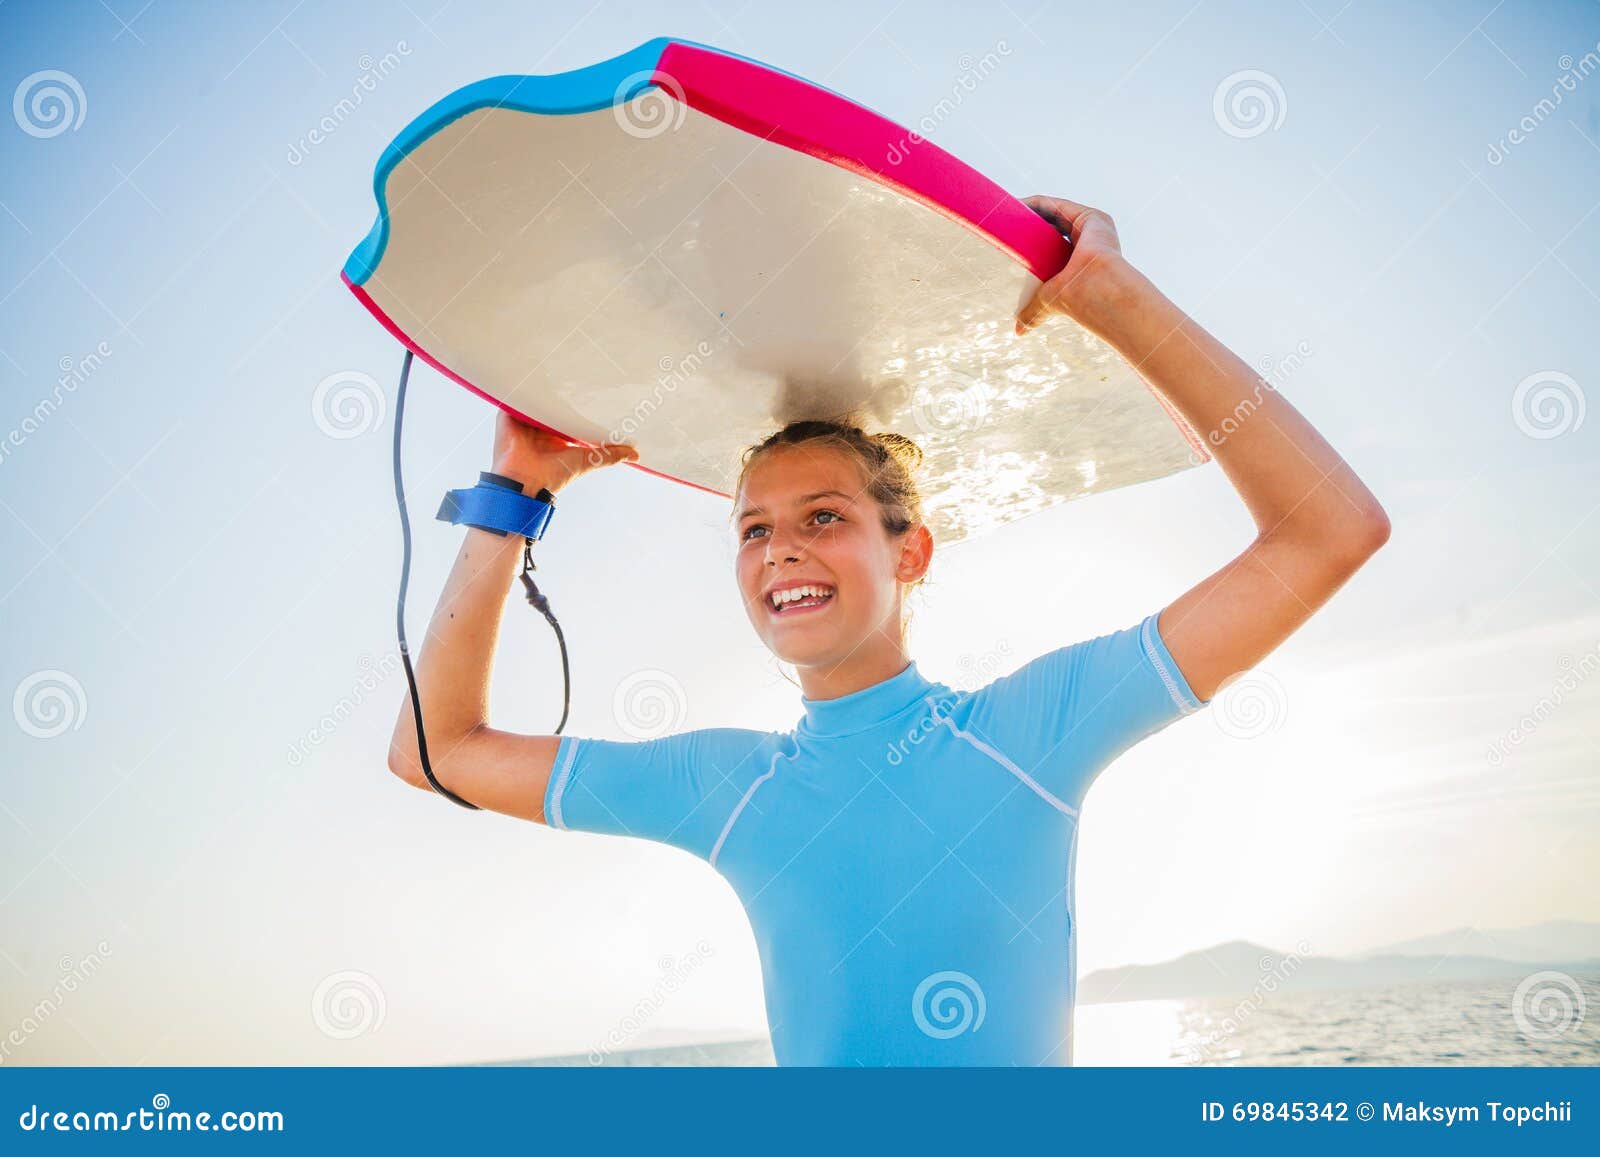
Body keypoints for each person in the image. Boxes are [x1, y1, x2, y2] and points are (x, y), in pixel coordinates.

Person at [386, 195, 1390, 1065]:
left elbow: (1328, 531)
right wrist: (510, 495)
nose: (780, 548)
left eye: (823, 516)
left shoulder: (1032, 729)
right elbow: (435, 752)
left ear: (910, 551)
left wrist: (1113, 297)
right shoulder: (725, 786)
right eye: (753, 529)